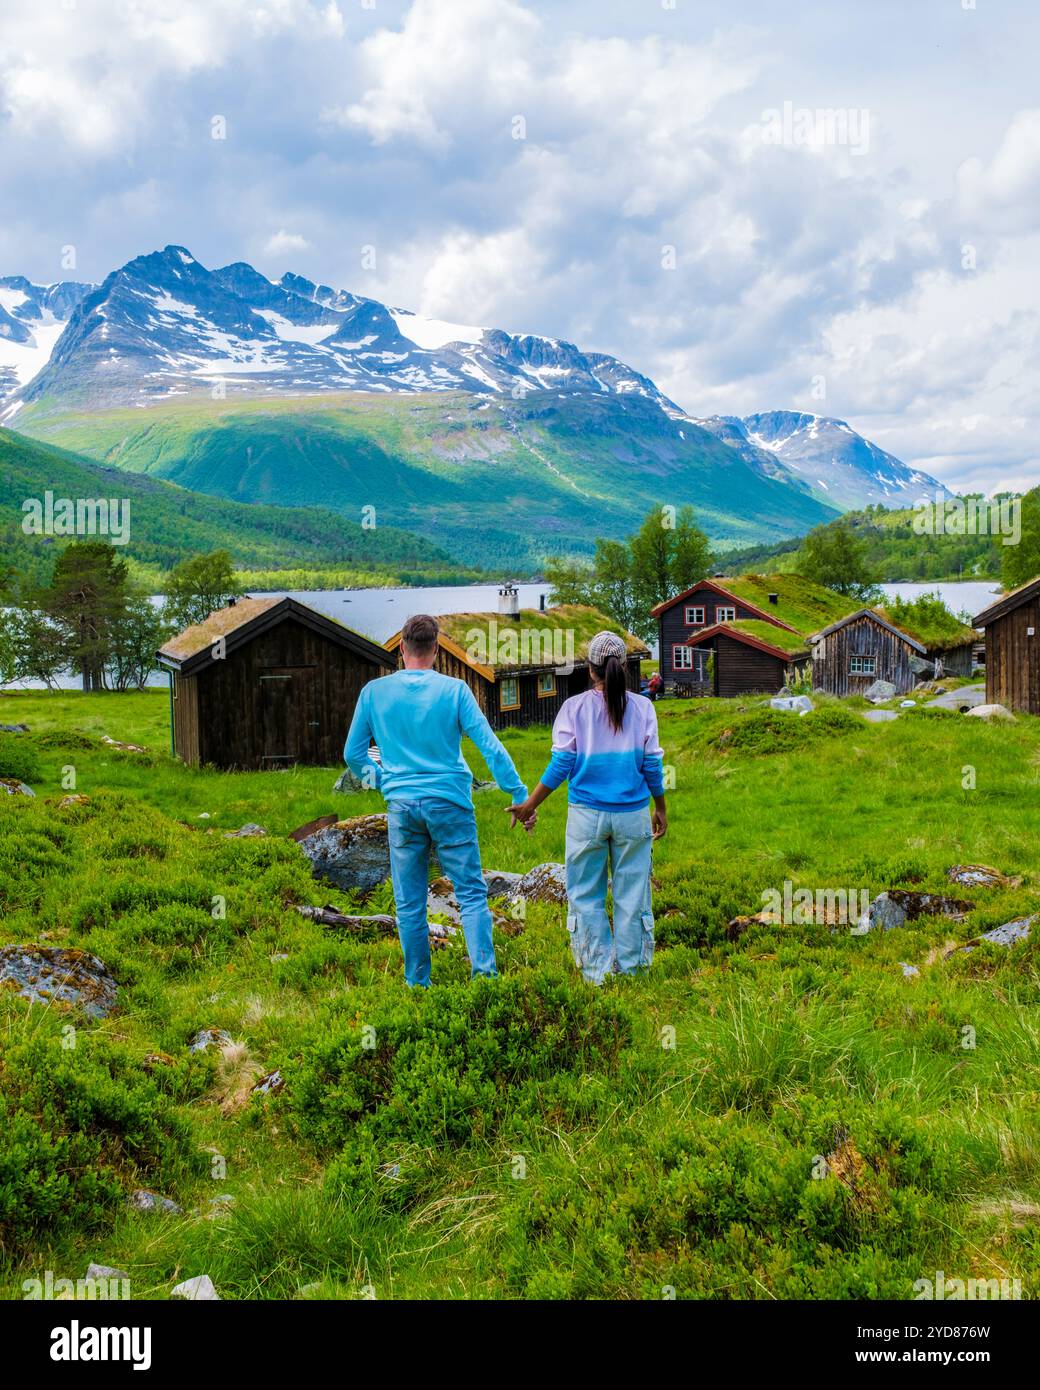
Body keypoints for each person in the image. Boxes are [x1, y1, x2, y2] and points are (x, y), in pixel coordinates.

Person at [344, 613, 532, 987]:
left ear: (401, 647)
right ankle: (484, 978)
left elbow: (353, 755)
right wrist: (518, 791)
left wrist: (383, 782)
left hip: (402, 805)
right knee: (471, 892)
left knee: (409, 901)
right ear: (436, 647)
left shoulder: (373, 693)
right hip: (450, 802)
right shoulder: (456, 690)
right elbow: (489, 747)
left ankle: (418, 984)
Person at [506, 631, 666, 984]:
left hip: (586, 816)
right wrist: (661, 808)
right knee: (632, 892)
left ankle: (597, 974)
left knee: (585, 895)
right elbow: (652, 766)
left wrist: (529, 805)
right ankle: (633, 971)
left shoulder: (573, 709)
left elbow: (561, 765)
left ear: (590, 669)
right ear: (622, 666)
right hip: (632, 815)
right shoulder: (643, 708)